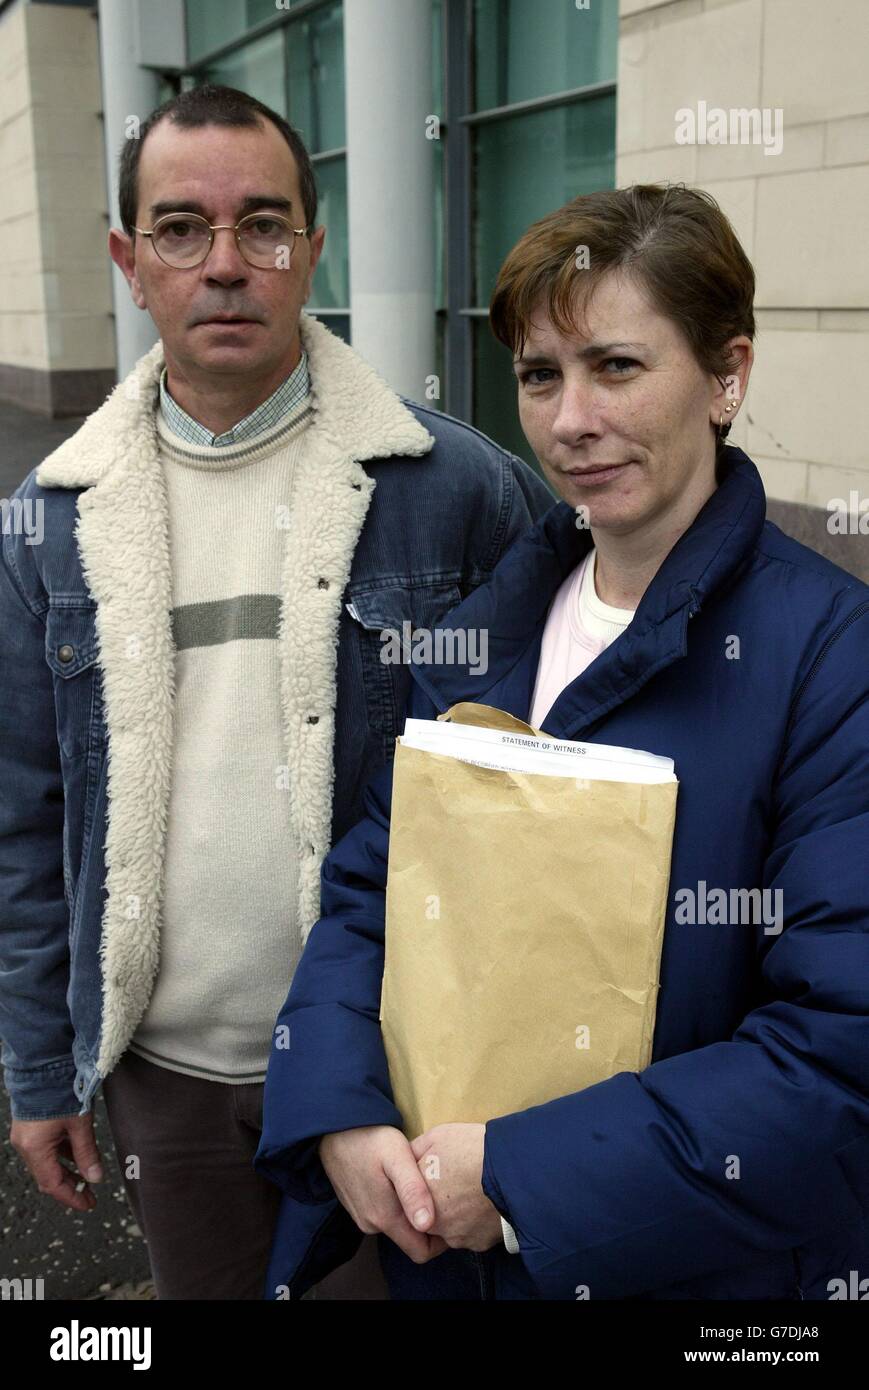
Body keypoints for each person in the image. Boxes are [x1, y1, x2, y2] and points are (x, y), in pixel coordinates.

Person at [255, 184, 869, 1300]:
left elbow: (839, 1041)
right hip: (445, 1250)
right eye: (540, 375)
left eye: (616, 366)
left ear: (727, 374)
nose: (568, 418)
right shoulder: (483, 629)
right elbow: (369, 896)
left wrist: (524, 1177)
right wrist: (337, 1108)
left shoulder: (828, 655)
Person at [0, 83, 552, 1301]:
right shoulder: (47, 526)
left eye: (262, 225)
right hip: (169, 1074)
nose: (225, 264)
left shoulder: (456, 488)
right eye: (180, 229)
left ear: (312, 249)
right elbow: (25, 819)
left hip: (393, 1063)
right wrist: (41, 1071)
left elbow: (543, 772)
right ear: (129, 263)